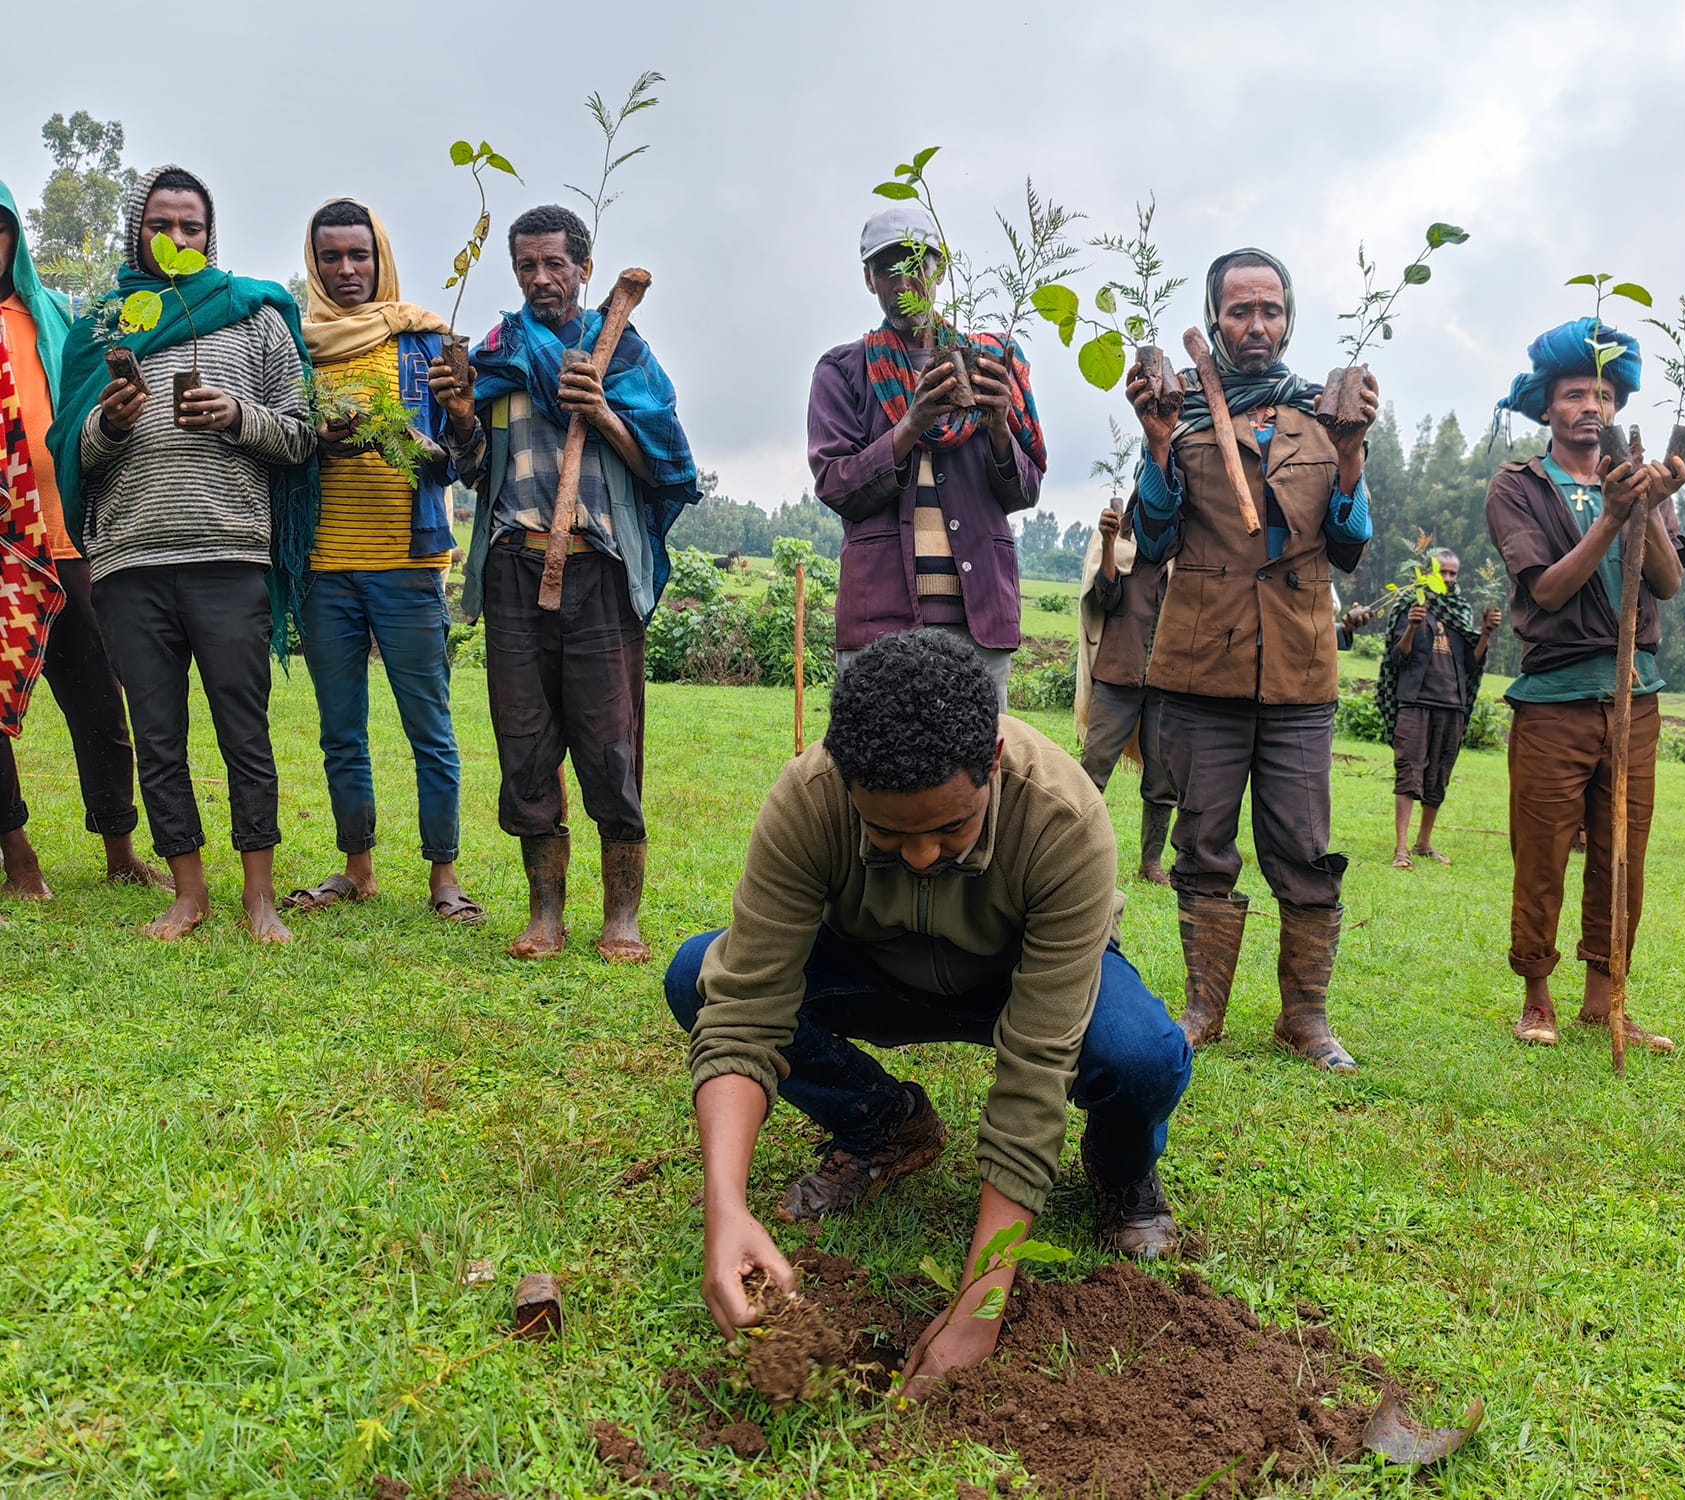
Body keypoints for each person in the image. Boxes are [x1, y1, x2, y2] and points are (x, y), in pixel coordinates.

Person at [669, 629, 1190, 1393]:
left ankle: (1121, 1173)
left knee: (1139, 1052)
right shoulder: (810, 799)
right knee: (698, 976)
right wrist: (726, 1207)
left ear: (994, 766)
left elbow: (1036, 1065)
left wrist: (983, 1297)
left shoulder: (1063, 818)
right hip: (875, 972)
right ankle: (885, 1121)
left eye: (951, 827)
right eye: (887, 832)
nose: (919, 855)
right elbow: (746, 1009)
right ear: (847, 785)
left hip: (1019, 981)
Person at [48, 165, 319, 942]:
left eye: (191, 226)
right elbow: (71, 446)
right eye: (160, 225)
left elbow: (299, 437)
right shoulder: (106, 323)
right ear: (137, 230)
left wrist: (237, 414)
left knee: (245, 730)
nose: (176, 240)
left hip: (230, 553)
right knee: (158, 734)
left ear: (211, 232)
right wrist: (111, 423)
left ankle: (259, 896)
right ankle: (188, 891)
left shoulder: (257, 312)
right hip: (130, 561)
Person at [430, 204, 699, 963]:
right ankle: (544, 913)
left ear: (585, 265)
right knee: (524, 743)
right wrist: (459, 416)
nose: (541, 278)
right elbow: (473, 467)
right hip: (516, 570)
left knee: (611, 745)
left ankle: (622, 918)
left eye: (555, 264)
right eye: (527, 266)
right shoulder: (496, 353)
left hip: (598, 574)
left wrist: (603, 414)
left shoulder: (620, 354)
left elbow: (668, 468)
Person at [1130, 248, 1374, 1073]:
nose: (1256, 325)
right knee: (1203, 843)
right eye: (1239, 311)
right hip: (1204, 666)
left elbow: (1348, 545)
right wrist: (1159, 443)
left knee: (1305, 847)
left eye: (1269, 309)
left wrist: (1351, 457)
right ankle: (1204, 1008)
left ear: (1289, 317)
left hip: (1300, 670)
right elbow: (1155, 538)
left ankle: (1306, 1018)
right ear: (1216, 319)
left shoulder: (1324, 419)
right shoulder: (1183, 416)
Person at [1484, 318, 1685, 1051]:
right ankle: (1538, 998)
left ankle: (1606, 1000)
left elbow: (1665, 583)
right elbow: (1544, 593)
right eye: (1575, 394)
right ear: (1547, 407)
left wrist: (1646, 507)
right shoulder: (1518, 487)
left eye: (1603, 395)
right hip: (1554, 700)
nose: (1589, 408)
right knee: (1541, 851)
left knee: (1624, 852)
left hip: (1634, 697)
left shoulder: (1642, 479)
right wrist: (1610, 519)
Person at [285, 199, 480, 925]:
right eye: (330, 257)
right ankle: (356, 869)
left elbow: (466, 462)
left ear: (381, 257)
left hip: (408, 565)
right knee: (342, 729)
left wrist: (458, 418)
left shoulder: (426, 341)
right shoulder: (297, 347)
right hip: (324, 568)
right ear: (314, 263)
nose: (345, 271)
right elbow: (282, 449)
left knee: (428, 726)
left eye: (358, 256)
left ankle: (445, 876)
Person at [808, 205, 1045, 710]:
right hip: (882, 623)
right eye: (886, 269)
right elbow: (836, 484)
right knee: (877, 770)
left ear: (939, 271)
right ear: (869, 281)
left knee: (981, 772)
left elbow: (1025, 490)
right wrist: (911, 423)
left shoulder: (989, 363)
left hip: (979, 622)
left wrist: (1000, 424)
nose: (902, 281)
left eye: (914, 264)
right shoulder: (843, 370)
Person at [0, 175, 165, 900]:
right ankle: (17, 857)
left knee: (100, 701)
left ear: (14, 238)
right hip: (3, 554)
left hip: (66, 544)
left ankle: (120, 848)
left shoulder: (50, 318)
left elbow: (86, 418)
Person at [1373, 549, 1502, 869]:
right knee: (1408, 771)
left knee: (1439, 775)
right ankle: (1401, 848)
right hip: (1415, 702)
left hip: (1452, 703)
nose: (1447, 578)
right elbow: (1397, 658)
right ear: (1427, 572)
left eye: (1452, 574)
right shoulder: (1410, 604)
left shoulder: (1461, 611)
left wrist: (1485, 634)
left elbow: (1472, 664)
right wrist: (1413, 627)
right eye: (1441, 572)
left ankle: (1423, 843)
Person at [1076, 494, 1173, 885]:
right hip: (1117, 675)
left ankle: (1151, 862)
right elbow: (1106, 597)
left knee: (1163, 779)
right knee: (1094, 769)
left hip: (1166, 684)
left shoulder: (1179, 551)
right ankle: (1077, 848)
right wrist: (1110, 543)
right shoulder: (1119, 540)